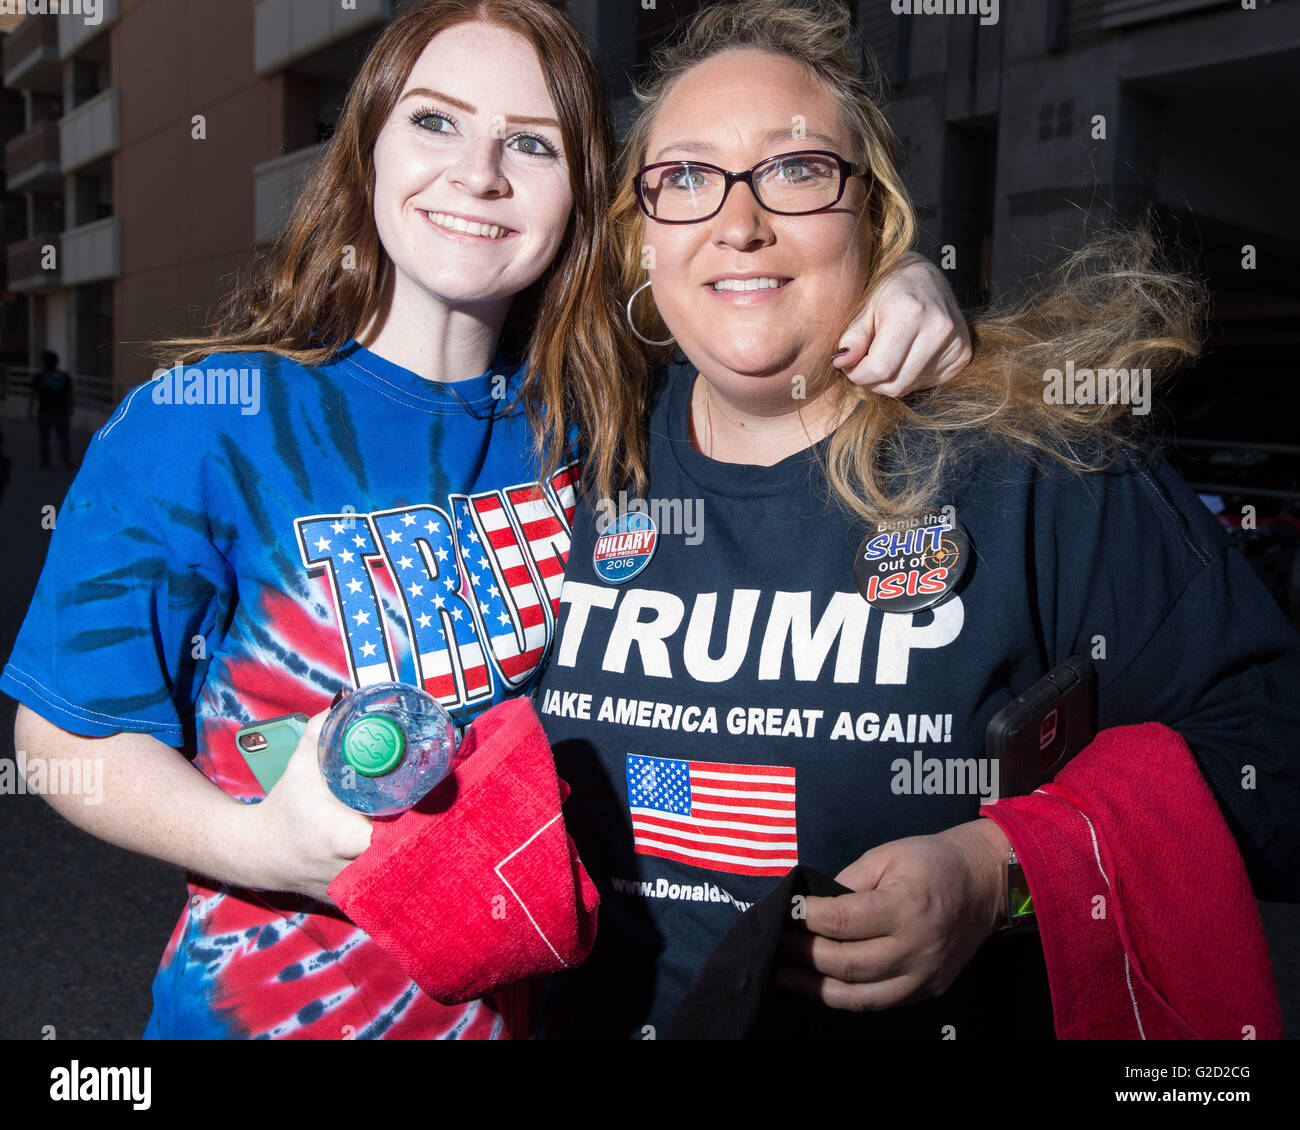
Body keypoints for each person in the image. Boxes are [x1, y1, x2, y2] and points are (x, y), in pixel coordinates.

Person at [0, 0, 964, 1040]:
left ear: (583, 196)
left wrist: (905, 276)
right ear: (366, 147)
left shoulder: (608, 418)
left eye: (531, 143)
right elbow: (63, 737)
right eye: (434, 121)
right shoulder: (205, 424)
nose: (478, 173)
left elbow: (766, 318)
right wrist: (260, 843)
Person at [533, 0, 1300, 1039]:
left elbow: (1275, 761)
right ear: (642, 240)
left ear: (874, 217)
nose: (738, 219)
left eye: (797, 169)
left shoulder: (1036, 473)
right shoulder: (560, 466)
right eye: (684, 176)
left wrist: (1001, 872)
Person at [27, 350, 74, 469]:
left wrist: (29, 410)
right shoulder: (64, 376)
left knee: (44, 438)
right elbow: (70, 395)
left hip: (44, 411)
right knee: (63, 437)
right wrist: (71, 408)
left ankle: (45, 460)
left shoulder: (39, 376)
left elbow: (33, 395)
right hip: (61, 411)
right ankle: (66, 457)